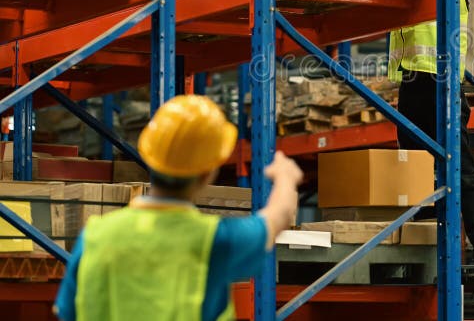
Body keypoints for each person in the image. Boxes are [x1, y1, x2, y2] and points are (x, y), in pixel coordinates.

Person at [54, 95, 303, 321]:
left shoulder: (96, 236)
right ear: (208, 172)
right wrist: (285, 176)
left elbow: (67, 312)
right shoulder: (214, 241)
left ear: (150, 156)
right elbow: (278, 217)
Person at [387, 0, 474, 264]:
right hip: (412, 84)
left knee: (459, 167)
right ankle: (423, 243)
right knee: (414, 166)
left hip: (442, 85)